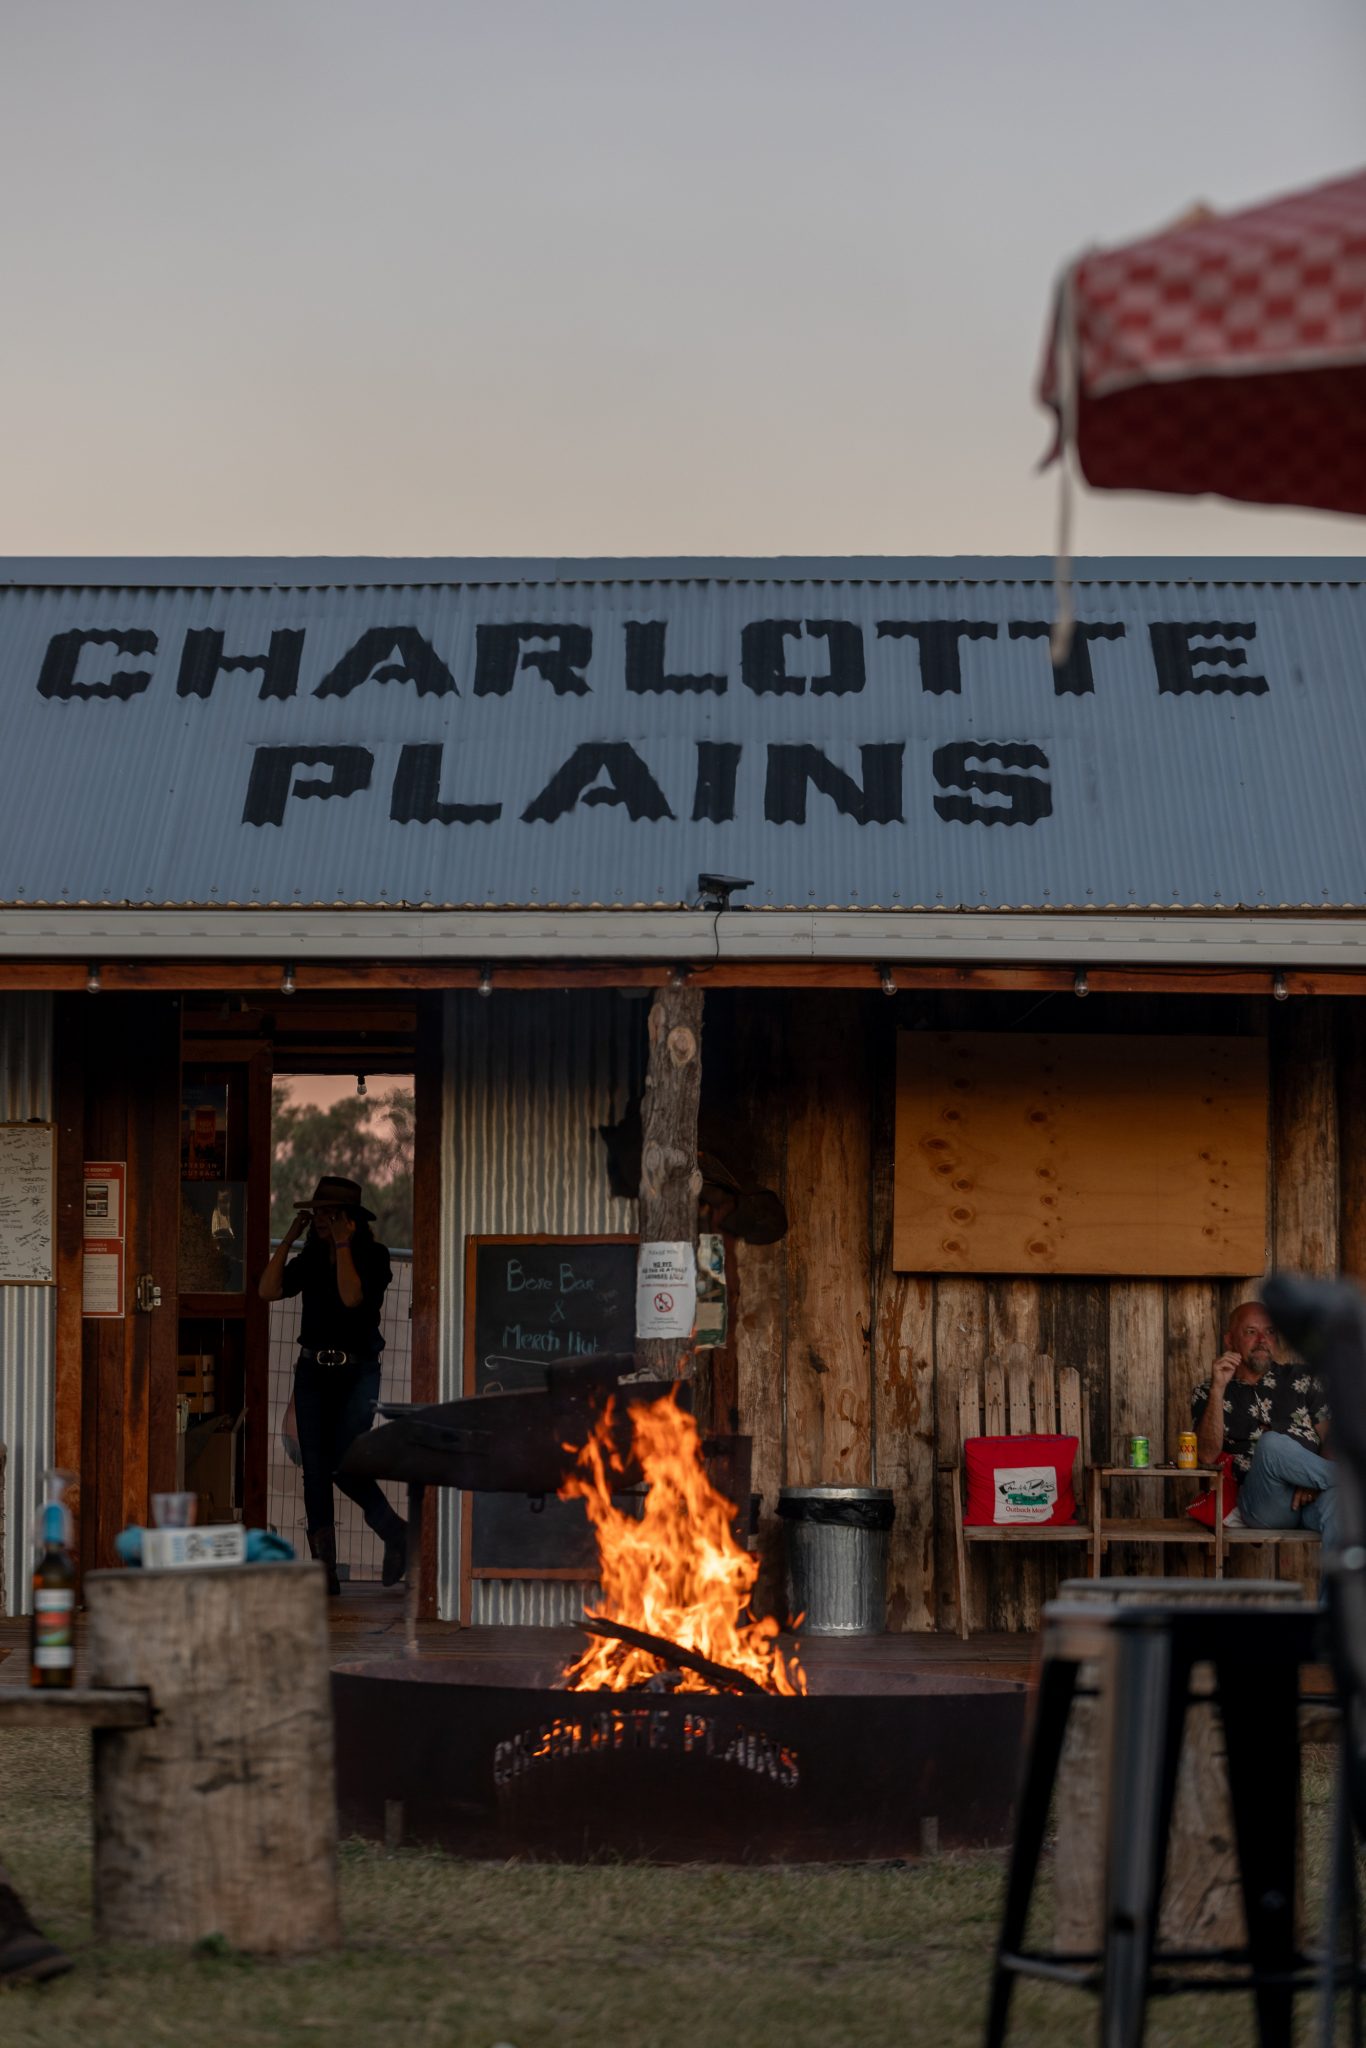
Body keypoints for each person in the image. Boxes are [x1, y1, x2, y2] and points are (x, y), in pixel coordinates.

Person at [259, 1174, 406, 1594]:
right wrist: (288, 1239)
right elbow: (267, 1290)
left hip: (357, 1373)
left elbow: (352, 1298)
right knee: (315, 1471)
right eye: (318, 1212)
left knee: (346, 1461)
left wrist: (342, 1245)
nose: (321, 1219)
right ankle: (325, 1570)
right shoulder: (310, 1256)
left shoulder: (373, 1256)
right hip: (312, 1374)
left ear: (351, 1220)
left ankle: (395, 1531)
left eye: (330, 1213)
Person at [1191, 1300, 1337, 1549]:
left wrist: (1312, 1482)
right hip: (1264, 1505)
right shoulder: (1208, 1391)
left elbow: (1332, 1438)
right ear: (1229, 1341)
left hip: (1314, 1496)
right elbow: (1205, 1455)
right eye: (1251, 1332)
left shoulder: (1304, 1379)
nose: (1262, 1339)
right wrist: (1218, 1389)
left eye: (1270, 1332)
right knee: (1270, 1445)